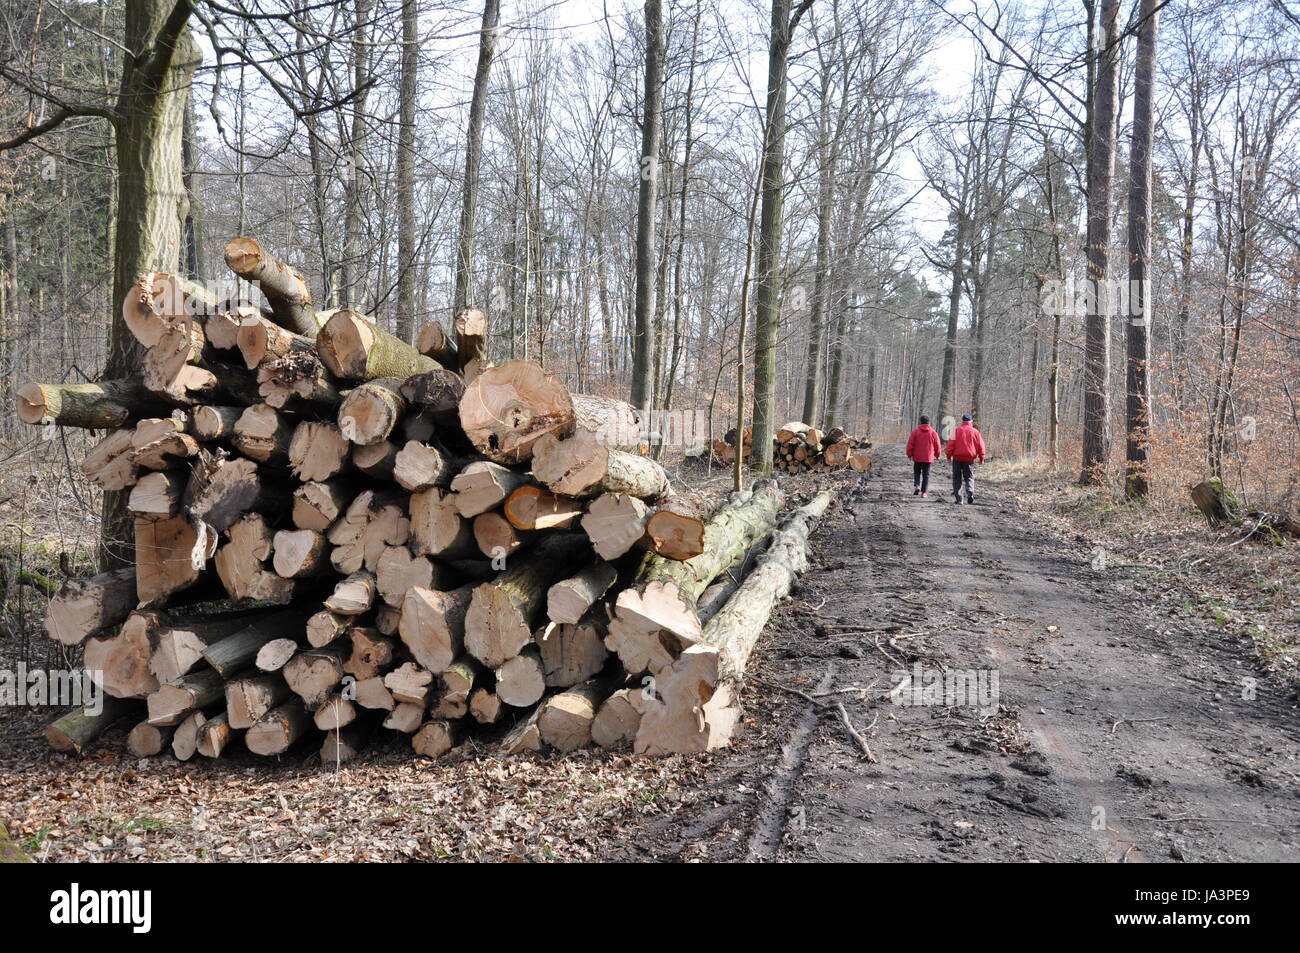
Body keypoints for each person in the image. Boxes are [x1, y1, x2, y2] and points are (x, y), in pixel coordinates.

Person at [945, 413, 986, 505]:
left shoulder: (956, 431)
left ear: (962, 421)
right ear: (971, 421)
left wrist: (948, 456)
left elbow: (950, 446)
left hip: (957, 458)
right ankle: (970, 491)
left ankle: (959, 499)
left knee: (957, 478)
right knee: (969, 477)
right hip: (969, 459)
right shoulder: (975, 432)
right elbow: (981, 446)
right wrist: (981, 458)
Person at [905, 415, 941, 498]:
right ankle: (924, 492)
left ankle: (917, 486)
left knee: (917, 472)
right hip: (928, 458)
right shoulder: (933, 432)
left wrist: (909, 454)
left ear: (920, 422)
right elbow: (937, 445)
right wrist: (938, 455)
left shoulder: (915, 432)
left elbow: (910, 444)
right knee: (926, 475)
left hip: (917, 457)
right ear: (929, 422)